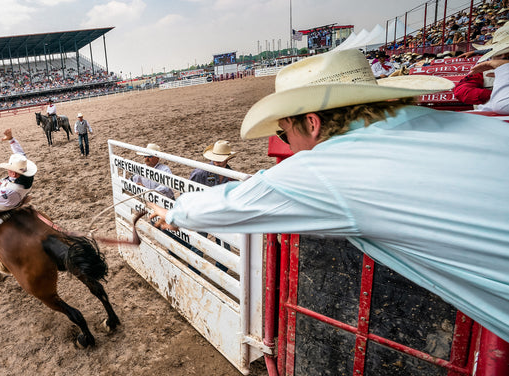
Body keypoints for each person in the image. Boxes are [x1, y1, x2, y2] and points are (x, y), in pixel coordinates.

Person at [146, 48, 509, 344]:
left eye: (286, 134)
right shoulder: (444, 122)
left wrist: (173, 212)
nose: (288, 144)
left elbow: (238, 202)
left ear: (313, 122)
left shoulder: (335, 168)